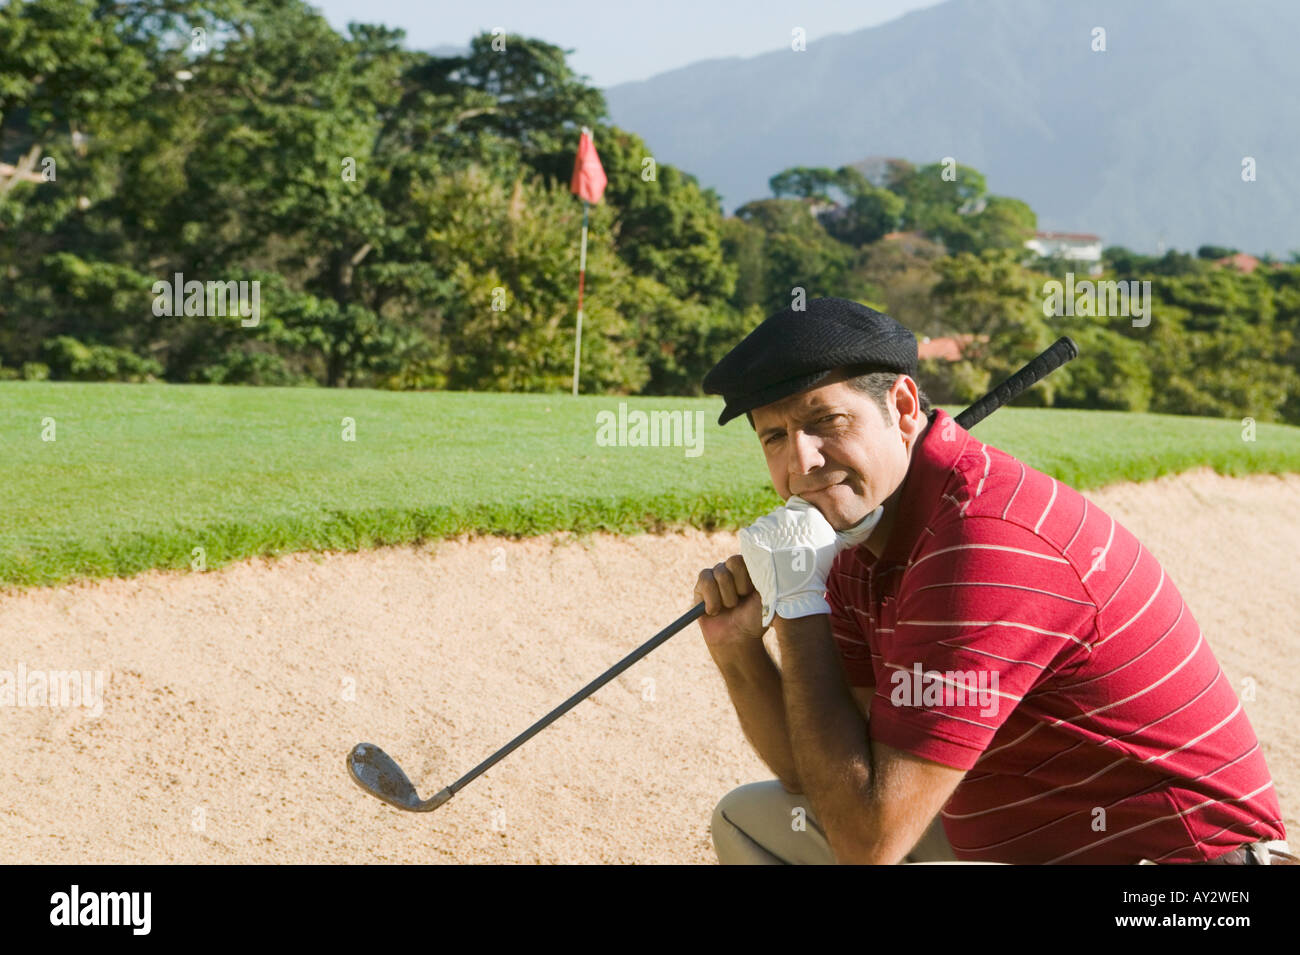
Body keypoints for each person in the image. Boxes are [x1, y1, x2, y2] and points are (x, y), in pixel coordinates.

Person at [694, 296, 1292, 865]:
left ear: (902, 409)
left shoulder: (988, 543)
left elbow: (867, 841)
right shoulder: (855, 539)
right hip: (1044, 851)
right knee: (751, 821)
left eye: (826, 420)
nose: (803, 462)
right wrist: (737, 648)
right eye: (774, 436)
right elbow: (821, 776)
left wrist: (799, 609)